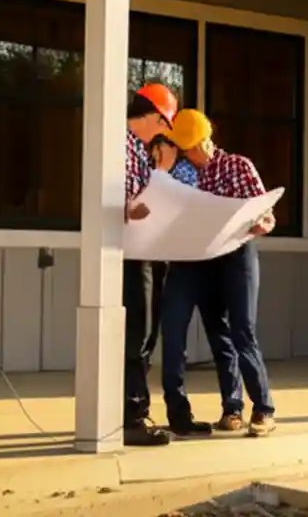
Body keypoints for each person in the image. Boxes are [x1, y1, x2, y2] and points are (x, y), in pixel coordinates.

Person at [162, 109, 278, 437]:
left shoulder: (238, 166)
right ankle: (232, 409)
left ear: (204, 141)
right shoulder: (186, 174)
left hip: (238, 255)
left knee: (243, 329)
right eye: (186, 150)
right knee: (218, 331)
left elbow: (265, 212)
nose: (191, 154)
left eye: (192, 147)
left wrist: (260, 222)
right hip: (206, 258)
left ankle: (264, 409)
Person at [122, 83, 180, 447]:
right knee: (136, 333)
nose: (163, 132)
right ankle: (130, 416)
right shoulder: (118, 143)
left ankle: (137, 411)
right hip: (132, 251)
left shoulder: (140, 152)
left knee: (147, 333)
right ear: (155, 116)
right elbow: (113, 195)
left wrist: (162, 177)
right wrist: (128, 208)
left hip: (150, 249)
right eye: (164, 124)